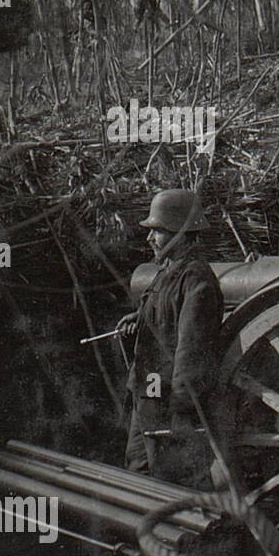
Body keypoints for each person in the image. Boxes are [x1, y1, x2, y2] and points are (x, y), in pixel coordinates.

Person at [117, 189, 223, 489]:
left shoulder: (196, 279)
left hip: (168, 401)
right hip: (147, 393)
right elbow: (164, 311)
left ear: (181, 233)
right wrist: (139, 319)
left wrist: (181, 408)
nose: (150, 239)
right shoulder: (167, 271)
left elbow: (191, 349)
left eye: (158, 232)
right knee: (138, 468)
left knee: (168, 480)